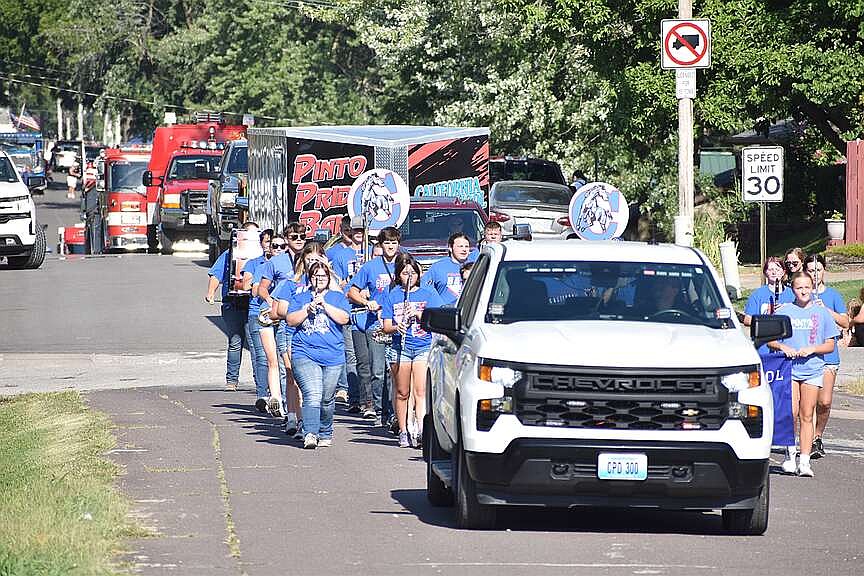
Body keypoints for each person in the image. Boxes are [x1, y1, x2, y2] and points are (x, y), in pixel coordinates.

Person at [769, 272, 839, 477]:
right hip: (789, 368)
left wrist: (812, 349)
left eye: (807, 287)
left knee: (807, 414)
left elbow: (830, 344)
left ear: (812, 288)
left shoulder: (821, 313)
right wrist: (783, 347)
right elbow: (770, 340)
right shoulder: (784, 311)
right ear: (792, 289)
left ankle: (805, 461)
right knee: (791, 413)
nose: (803, 291)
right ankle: (790, 455)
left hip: (813, 368)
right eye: (799, 287)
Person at [284, 262, 351, 449]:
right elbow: (290, 320)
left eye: (323, 276)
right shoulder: (300, 297)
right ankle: (310, 433)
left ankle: (325, 431)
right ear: (310, 278)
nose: (319, 279)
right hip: (305, 353)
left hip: (333, 355)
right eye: (315, 276)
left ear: (328, 278)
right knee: (312, 393)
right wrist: (307, 309)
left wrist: (325, 305)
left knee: (327, 398)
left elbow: (344, 318)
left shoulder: (337, 297)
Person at [382, 255, 444, 447]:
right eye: (405, 273)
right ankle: (403, 430)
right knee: (402, 392)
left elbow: (437, 319)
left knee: (420, 391)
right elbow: (386, 326)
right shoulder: (392, 295)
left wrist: (419, 315)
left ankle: (421, 430)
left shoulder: (428, 294)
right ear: (398, 275)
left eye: (413, 273)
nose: (409, 277)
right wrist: (397, 327)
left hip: (422, 346)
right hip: (400, 348)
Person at [348, 227, 401, 427]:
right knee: (378, 371)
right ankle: (379, 410)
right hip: (375, 325)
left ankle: (394, 412)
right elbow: (352, 291)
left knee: (394, 371)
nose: (390, 246)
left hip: (397, 324)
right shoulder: (370, 267)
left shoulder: (404, 263)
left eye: (394, 242)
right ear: (380, 245)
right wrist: (365, 302)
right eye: (387, 242)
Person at [804, 254, 849, 459]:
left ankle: (818, 435)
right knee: (807, 403)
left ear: (824, 271)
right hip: (806, 355)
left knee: (825, 402)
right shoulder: (801, 294)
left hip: (828, 356)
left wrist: (826, 310)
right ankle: (809, 440)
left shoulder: (833, 295)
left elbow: (845, 322)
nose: (815, 274)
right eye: (811, 270)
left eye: (818, 270)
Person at [205, 221, 259, 391]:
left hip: (253, 305)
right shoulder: (229, 254)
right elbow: (216, 274)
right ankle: (232, 381)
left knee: (255, 345)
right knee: (235, 342)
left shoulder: (261, 256)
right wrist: (211, 293)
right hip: (233, 304)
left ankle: (260, 382)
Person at [326, 216, 364, 412]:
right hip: (349, 309)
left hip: (370, 312)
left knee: (369, 359)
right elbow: (335, 284)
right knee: (351, 355)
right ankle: (354, 398)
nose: (357, 234)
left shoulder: (373, 253)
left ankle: (369, 400)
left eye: (361, 230)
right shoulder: (340, 255)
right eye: (354, 230)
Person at [242, 229, 275, 411]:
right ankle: (262, 395)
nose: (271, 246)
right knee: (262, 355)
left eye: (275, 243)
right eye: (267, 242)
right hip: (259, 312)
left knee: (279, 356)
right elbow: (251, 288)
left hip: (280, 314)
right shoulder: (256, 264)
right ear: (261, 244)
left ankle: (278, 394)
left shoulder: (287, 264)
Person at [422, 232, 473, 306]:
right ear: (450, 247)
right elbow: (424, 288)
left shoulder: (475, 265)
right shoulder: (438, 267)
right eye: (460, 246)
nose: (464, 249)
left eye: (466, 246)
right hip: (444, 310)